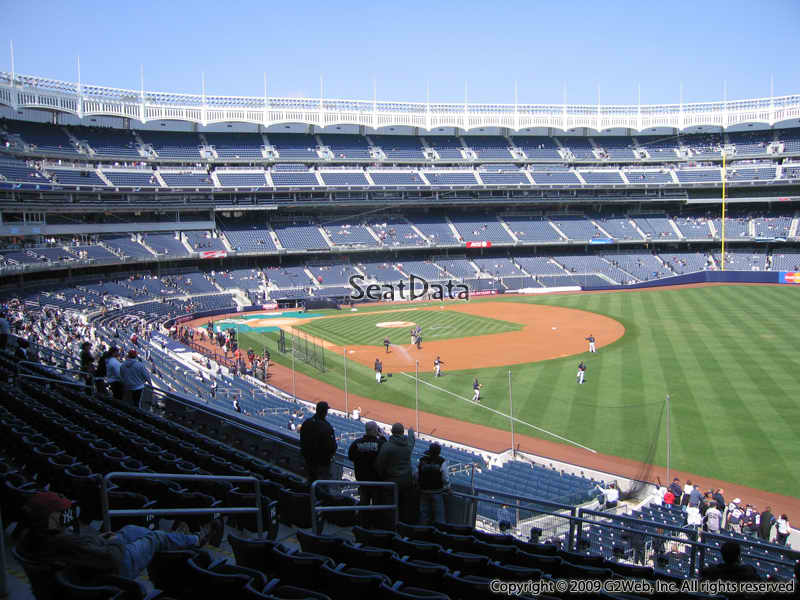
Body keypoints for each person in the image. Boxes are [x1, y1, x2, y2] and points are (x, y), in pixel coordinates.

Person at [16, 491, 224, 580]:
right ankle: (196, 539)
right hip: (116, 566)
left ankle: (180, 540)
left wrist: (102, 539)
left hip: (94, 557)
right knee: (154, 538)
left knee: (132, 529)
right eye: (63, 514)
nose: (68, 516)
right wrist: (113, 541)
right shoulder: (62, 541)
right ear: (51, 518)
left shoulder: (33, 539)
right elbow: (112, 559)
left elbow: (84, 550)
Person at [375, 423, 416, 524]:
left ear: (392, 432)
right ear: (402, 432)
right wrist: (410, 431)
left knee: (390, 506)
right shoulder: (408, 446)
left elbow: (379, 464)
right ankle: (404, 527)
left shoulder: (387, 446)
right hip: (406, 481)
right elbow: (412, 440)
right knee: (405, 506)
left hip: (391, 482)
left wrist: (382, 476)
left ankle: (391, 526)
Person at [347, 421, 386, 528]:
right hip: (376, 481)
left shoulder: (356, 443)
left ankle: (362, 525)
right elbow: (386, 452)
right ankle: (375, 526)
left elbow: (350, 457)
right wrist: (382, 437)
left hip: (362, 479)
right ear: (375, 431)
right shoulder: (380, 443)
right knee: (377, 505)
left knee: (363, 503)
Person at [299, 402, 338, 498]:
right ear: (325, 412)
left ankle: (309, 501)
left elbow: (302, 440)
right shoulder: (326, 426)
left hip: (308, 460)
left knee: (310, 483)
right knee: (322, 488)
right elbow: (332, 446)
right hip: (322, 463)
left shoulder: (307, 422)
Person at [417, 443, 449, 526]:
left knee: (423, 515)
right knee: (439, 516)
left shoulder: (422, 460)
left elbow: (417, 474)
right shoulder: (442, 461)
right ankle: (440, 534)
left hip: (424, 490)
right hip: (437, 491)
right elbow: (445, 477)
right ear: (439, 452)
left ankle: (422, 533)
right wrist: (447, 487)